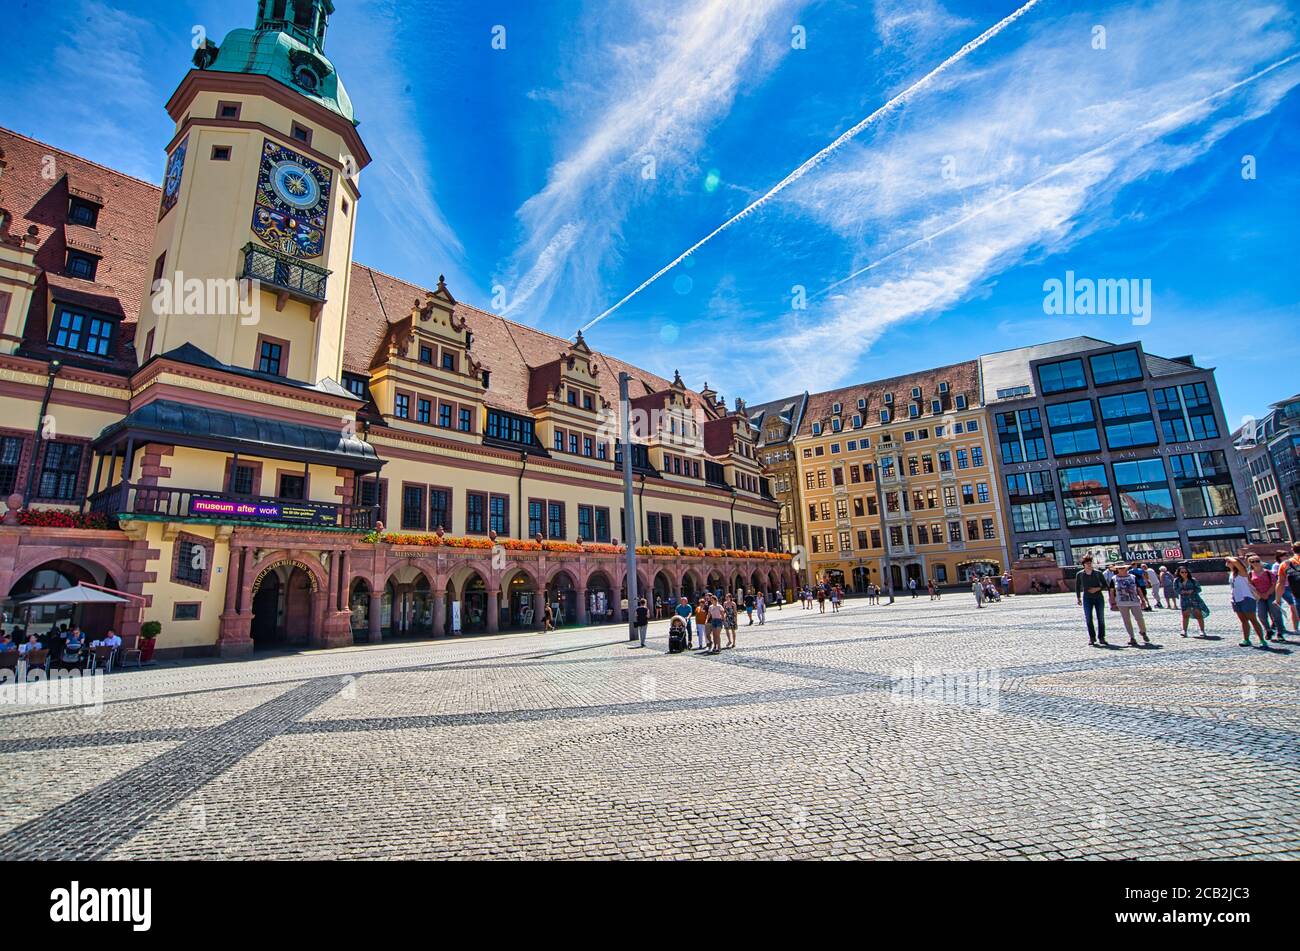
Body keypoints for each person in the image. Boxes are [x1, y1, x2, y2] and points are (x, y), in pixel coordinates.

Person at [1225, 556, 1267, 648]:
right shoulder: (1232, 573)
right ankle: (1246, 639)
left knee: (1253, 620)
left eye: (1229, 561)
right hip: (1236, 599)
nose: (1227, 562)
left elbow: (1236, 562)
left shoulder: (1242, 572)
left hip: (1246, 598)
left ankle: (1262, 640)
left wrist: (1228, 557)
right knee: (1243, 620)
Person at [1109, 564, 1150, 647]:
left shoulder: (1133, 577)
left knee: (1139, 618)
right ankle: (1132, 637)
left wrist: (1143, 599)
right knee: (1126, 620)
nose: (1122, 569)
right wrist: (1112, 602)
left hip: (1134, 601)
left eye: (1123, 568)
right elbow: (1111, 592)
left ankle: (1143, 631)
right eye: (1120, 568)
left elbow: (1138, 589)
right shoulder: (1114, 579)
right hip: (1121, 602)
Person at [1247, 555, 1287, 641]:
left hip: (1271, 595)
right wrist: (1260, 594)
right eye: (1252, 561)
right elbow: (1251, 586)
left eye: (1257, 561)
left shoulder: (1268, 572)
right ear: (1249, 563)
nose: (1255, 563)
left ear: (1260, 561)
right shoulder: (1250, 574)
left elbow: (1274, 584)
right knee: (1261, 614)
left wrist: (1267, 593)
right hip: (1259, 596)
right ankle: (1268, 630)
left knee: (1276, 614)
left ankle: (1280, 632)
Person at [1075, 556, 1109, 646]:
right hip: (1087, 598)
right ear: (1083, 565)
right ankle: (1092, 637)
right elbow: (1077, 587)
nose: (1089, 565)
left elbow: (1105, 585)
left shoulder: (1098, 573)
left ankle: (1101, 637)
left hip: (1098, 597)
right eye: (1087, 563)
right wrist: (1078, 598)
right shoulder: (1080, 574)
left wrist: (1097, 588)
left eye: (1090, 563)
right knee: (1088, 618)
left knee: (1101, 618)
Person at [1174, 565, 1208, 636]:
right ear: (1179, 573)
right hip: (1184, 600)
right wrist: (1181, 592)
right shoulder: (1177, 581)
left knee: (1198, 614)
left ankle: (1202, 630)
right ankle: (1184, 631)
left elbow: (1199, 589)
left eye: (1185, 572)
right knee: (1185, 615)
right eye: (1182, 572)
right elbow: (1175, 589)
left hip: (1194, 599)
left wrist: (1192, 591)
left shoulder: (1193, 580)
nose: (1184, 573)